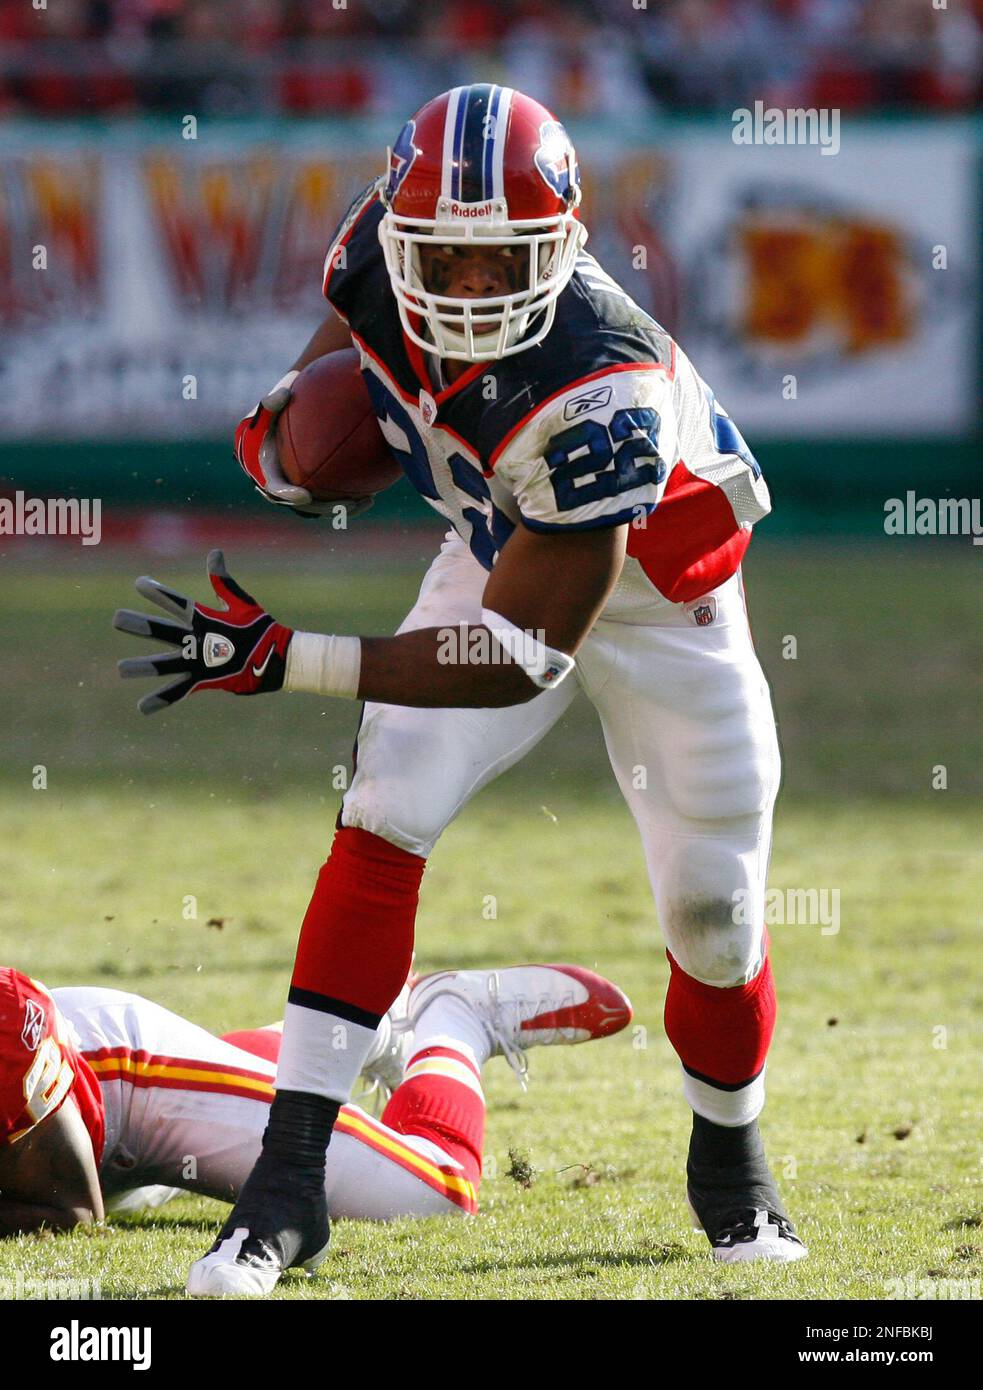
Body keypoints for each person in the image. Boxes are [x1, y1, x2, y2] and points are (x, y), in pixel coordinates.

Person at [114, 83, 805, 1294]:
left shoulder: (607, 390)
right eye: (445, 256)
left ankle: (728, 1153)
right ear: (398, 231)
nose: (471, 289)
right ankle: (283, 1187)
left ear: (562, 250)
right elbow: (336, 364)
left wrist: (290, 659)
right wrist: (290, 433)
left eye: (504, 262)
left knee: (714, 913)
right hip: (500, 539)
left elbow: (513, 661)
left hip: (652, 595)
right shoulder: (375, 254)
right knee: (385, 807)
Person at [0, 959, 631, 1295]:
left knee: (433, 1192)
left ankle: (452, 1016)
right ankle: (358, 1030)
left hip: (127, 1085)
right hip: (82, 1126)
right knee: (221, 1105)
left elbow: (70, 1211)